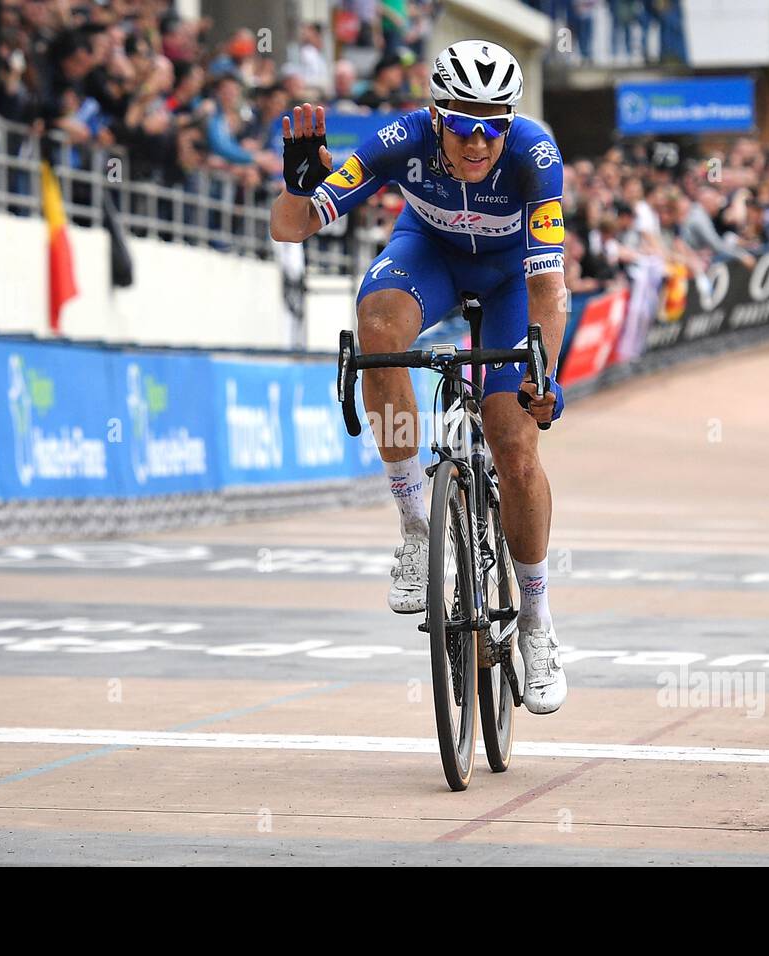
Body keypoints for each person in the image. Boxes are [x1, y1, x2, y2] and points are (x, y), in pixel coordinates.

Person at [269, 40, 569, 715]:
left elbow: (549, 290)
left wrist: (540, 371)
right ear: (436, 119)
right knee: (376, 322)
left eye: (493, 124)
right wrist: (296, 186)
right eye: (463, 123)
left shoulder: (535, 155)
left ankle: (538, 620)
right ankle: (414, 526)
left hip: (511, 280)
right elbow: (290, 231)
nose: (477, 140)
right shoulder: (395, 140)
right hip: (427, 255)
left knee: (515, 444)